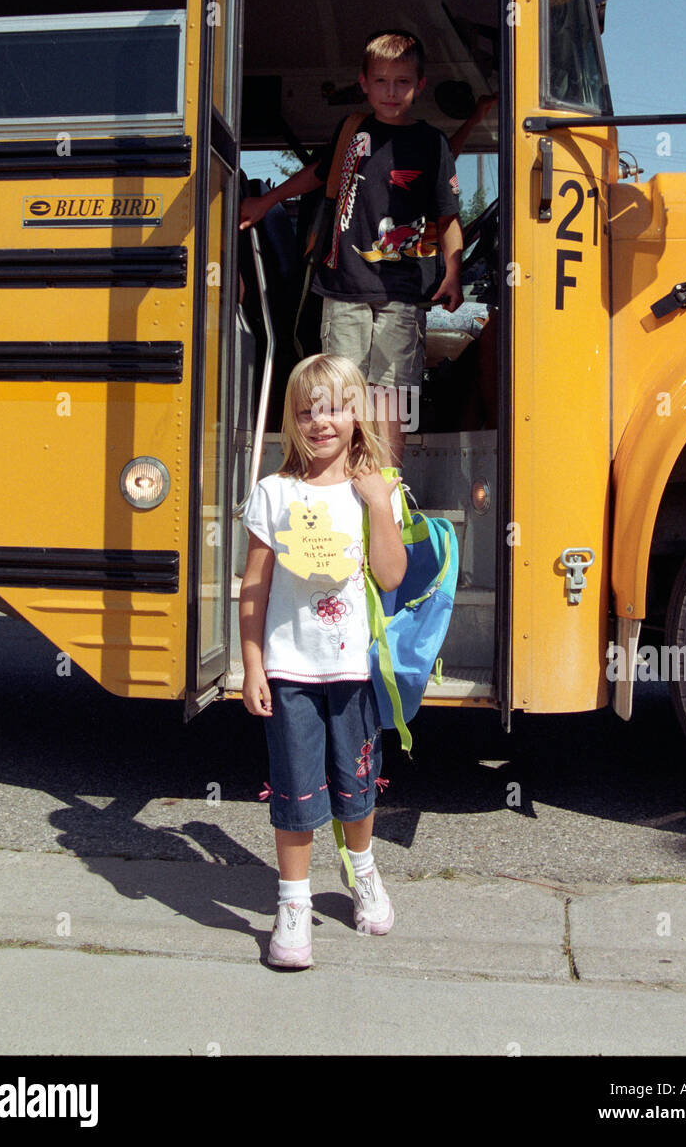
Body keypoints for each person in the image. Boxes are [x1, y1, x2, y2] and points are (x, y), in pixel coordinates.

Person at [239, 352, 407, 969]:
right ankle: (292, 905)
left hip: (352, 673)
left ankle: (362, 872)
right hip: (290, 672)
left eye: (334, 408)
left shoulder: (372, 492)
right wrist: (253, 663)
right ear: (293, 420)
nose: (321, 422)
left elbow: (390, 576)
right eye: (307, 411)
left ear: (356, 414)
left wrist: (380, 505)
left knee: (357, 787)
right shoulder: (273, 492)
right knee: (295, 791)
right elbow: (254, 586)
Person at [240, 30, 464, 467]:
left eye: (402, 82)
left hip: (403, 291)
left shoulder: (432, 144)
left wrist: (453, 274)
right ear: (363, 83)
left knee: (391, 393)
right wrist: (266, 201)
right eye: (381, 81)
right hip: (344, 284)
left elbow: (447, 217)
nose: (391, 91)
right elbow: (316, 175)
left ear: (419, 85)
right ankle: (337, 479)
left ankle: (387, 486)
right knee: (340, 389)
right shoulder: (353, 132)